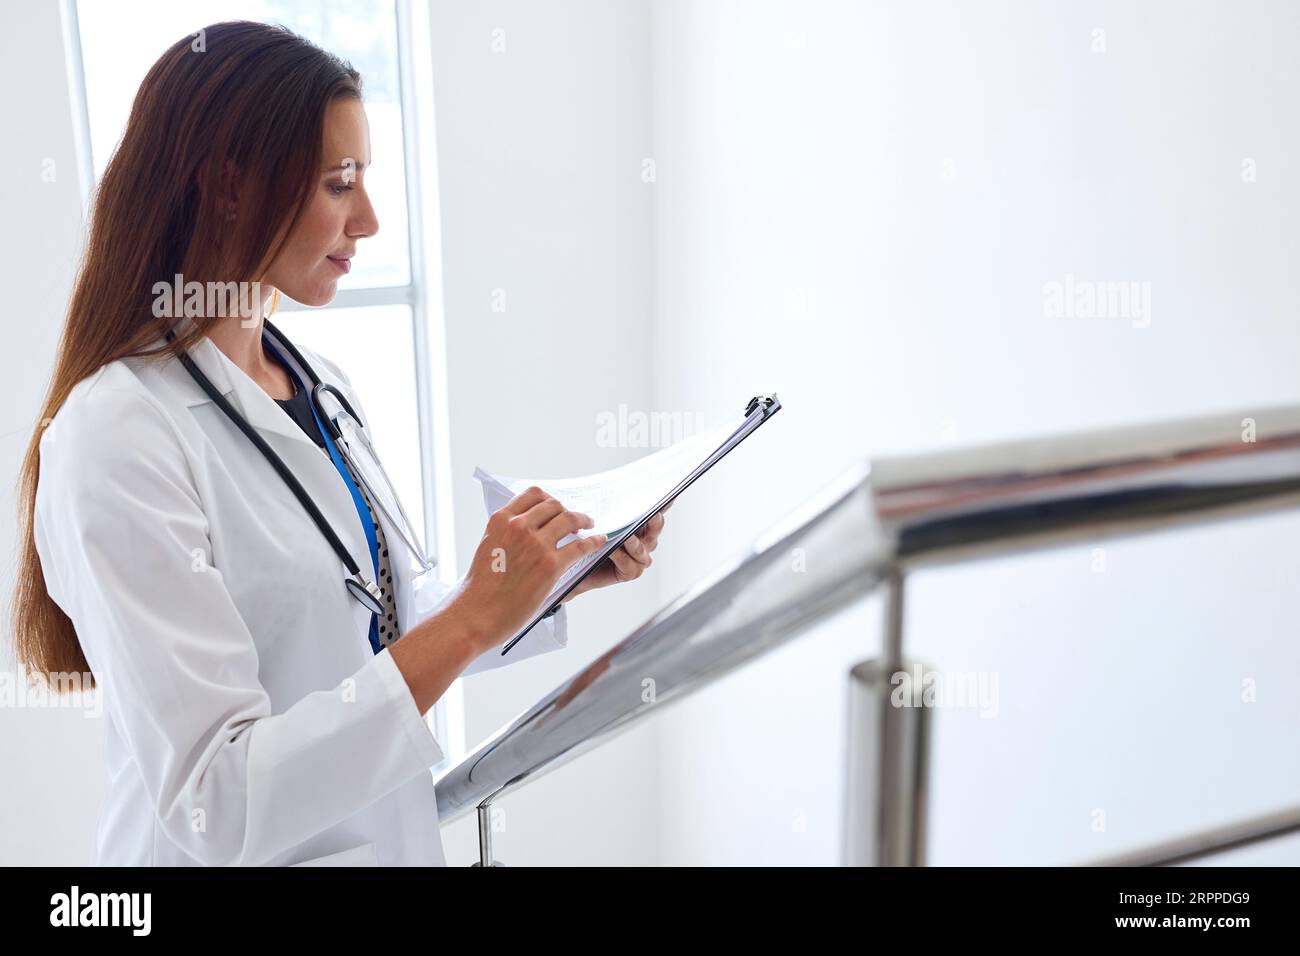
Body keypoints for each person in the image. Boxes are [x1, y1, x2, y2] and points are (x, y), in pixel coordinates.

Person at [8, 21, 666, 867]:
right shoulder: (116, 436)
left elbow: (365, 623)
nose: (371, 218)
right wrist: (470, 621)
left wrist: (538, 578)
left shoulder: (317, 383)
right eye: (338, 183)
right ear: (230, 187)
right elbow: (218, 799)